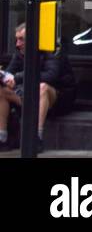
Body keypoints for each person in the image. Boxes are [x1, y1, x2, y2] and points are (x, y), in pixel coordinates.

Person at [0, 22, 77, 152]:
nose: (18, 44)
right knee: (2, 91)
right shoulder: (20, 52)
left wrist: (18, 77)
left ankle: (37, 137)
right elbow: (10, 73)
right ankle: (2, 138)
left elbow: (51, 75)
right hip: (29, 96)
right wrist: (4, 77)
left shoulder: (52, 49)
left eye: (21, 39)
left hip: (58, 98)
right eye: (16, 39)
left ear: (34, 38)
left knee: (43, 87)